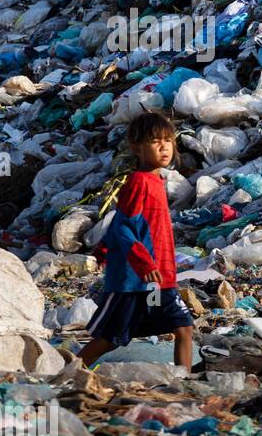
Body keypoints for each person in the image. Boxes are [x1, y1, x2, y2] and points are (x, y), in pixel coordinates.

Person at [78, 111, 194, 370]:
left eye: (168, 140)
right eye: (155, 141)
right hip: (135, 280)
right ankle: (67, 373)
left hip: (160, 277)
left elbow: (122, 222)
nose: (164, 147)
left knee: (184, 327)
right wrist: (142, 263)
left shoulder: (155, 182)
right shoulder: (138, 182)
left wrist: (104, 249)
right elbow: (124, 228)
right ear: (136, 147)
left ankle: (184, 383)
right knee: (110, 339)